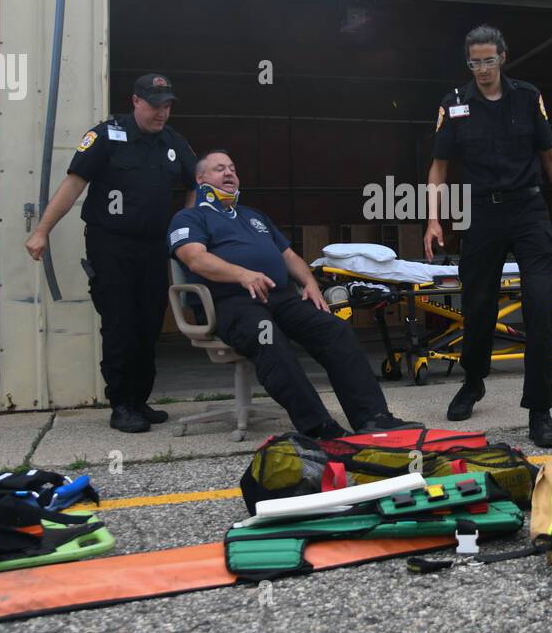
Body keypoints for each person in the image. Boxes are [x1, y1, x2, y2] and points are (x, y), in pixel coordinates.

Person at [168, 149, 410, 438]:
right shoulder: (189, 218)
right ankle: (320, 429)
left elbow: (289, 256)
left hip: (280, 296)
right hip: (232, 302)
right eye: (220, 169)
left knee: (335, 331)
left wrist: (309, 282)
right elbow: (195, 259)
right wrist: (242, 274)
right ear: (200, 178)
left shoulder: (253, 216)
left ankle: (374, 418)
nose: (229, 173)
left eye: (232, 168)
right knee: (270, 337)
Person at [424, 25, 552, 448]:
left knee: (540, 304)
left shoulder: (527, 97)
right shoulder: (454, 103)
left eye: (488, 60)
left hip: (529, 210)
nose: (481, 69)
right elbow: (439, 166)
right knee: (477, 306)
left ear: (503, 57)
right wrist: (434, 219)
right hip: (479, 213)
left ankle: (540, 410)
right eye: (474, 62)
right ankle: (473, 381)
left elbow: (550, 155)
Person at [25, 73, 198, 433]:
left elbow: (196, 186)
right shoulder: (106, 136)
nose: (161, 113)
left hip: (153, 246)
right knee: (120, 323)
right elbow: (73, 183)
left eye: (167, 106)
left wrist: (186, 227)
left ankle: (140, 400)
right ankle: (121, 404)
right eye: (154, 105)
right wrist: (42, 231)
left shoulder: (174, 142)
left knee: (149, 323)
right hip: (111, 245)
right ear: (135, 101)